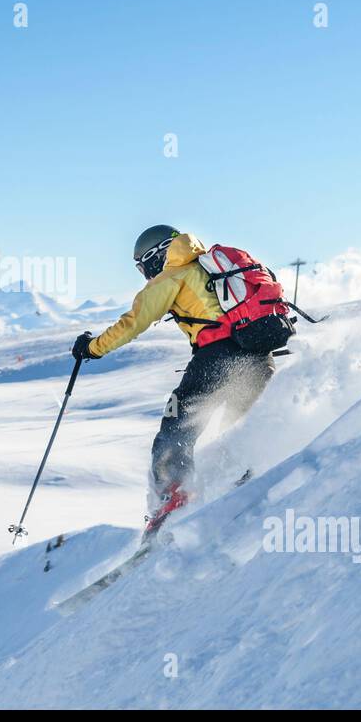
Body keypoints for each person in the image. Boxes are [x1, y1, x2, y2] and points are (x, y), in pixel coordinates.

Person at [71, 225, 275, 533]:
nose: (145, 274)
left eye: (142, 266)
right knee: (235, 427)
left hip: (216, 361)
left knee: (174, 430)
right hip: (260, 356)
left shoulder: (173, 275)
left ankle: (173, 500)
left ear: (155, 256)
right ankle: (242, 479)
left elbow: (133, 323)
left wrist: (92, 347)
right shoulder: (215, 266)